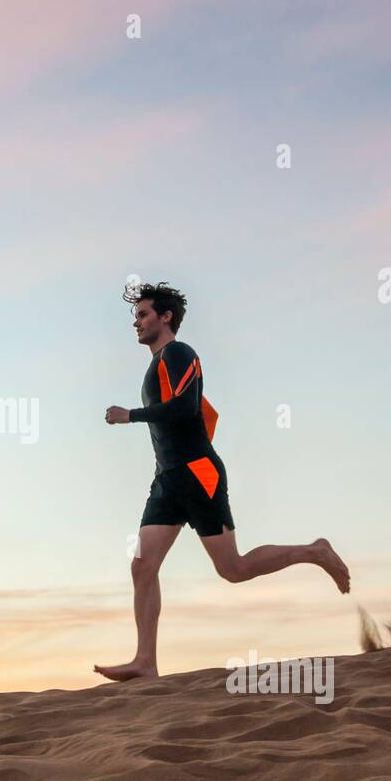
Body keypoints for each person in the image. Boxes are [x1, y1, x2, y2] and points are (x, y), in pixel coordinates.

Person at [97, 281, 351, 682]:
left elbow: (184, 407)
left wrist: (131, 414)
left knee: (233, 568)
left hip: (198, 474)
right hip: (168, 480)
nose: (137, 323)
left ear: (166, 318)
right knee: (142, 567)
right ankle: (145, 661)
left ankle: (315, 551)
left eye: (143, 314)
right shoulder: (155, 364)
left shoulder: (179, 353)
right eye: (136, 317)